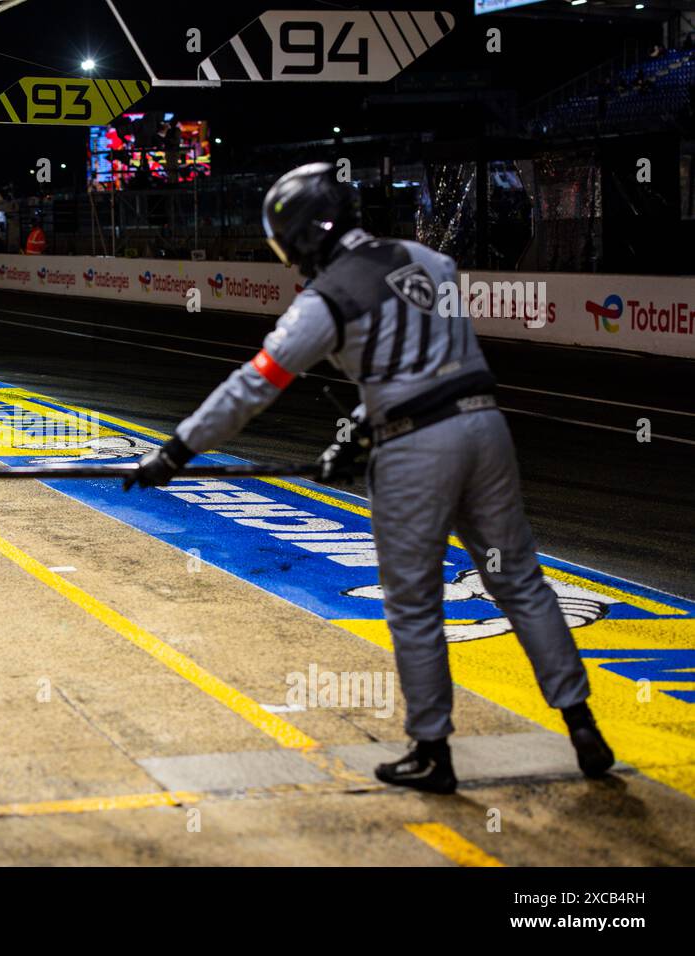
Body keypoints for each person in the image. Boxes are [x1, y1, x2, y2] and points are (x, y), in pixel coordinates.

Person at [124, 162, 614, 794]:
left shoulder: (323, 301)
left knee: (415, 604)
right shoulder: (428, 261)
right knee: (520, 583)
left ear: (300, 236)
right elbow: (432, 363)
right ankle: (583, 727)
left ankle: (432, 750)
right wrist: (358, 431)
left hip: (417, 452)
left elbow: (254, 386)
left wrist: (178, 450)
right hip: (485, 428)